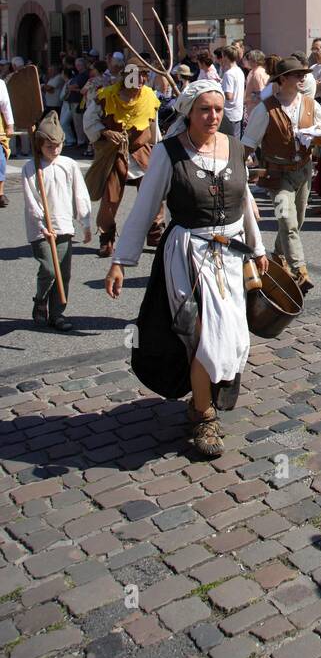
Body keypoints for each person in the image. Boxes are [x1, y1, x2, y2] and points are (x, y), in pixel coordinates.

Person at [105, 82, 268, 458]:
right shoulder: (169, 153)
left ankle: (204, 398)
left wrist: (257, 248)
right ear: (189, 113)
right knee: (200, 335)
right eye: (204, 110)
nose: (213, 117)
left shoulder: (235, 148)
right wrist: (120, 262)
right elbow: (145, 207)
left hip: (229, 258)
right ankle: (202, 412)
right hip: (187, 253)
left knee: (234, 339)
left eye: (218, 109)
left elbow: (243, 201)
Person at [241, 56, 321, 294]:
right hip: (276, 177)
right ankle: (300, 270)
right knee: (286, 221)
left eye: (304, 74)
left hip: (303, 172)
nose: (303, 78)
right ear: (282, 79)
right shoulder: (265, 108)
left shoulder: (312, 106)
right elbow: (248, 143)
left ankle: (279, 256)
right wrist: (237, 169)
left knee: (297, 221)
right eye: (297, 74)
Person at [22, 109, 92, 331]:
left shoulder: (68, 164)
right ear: (39, 146)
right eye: (49, 147)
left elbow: (79, 193)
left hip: (63, 225)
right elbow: (31, 200)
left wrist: (86, 223)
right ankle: (40, 299)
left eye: (58, 146)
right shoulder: (31, 167)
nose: (54, 150)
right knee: (49, 270)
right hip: (41, 228)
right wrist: (42, 225)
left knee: (64, 272)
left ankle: (57, 314)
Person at [83, 69, 164, 257]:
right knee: (110, 198)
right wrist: (104, 132)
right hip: (115, 152)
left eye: (144, 75)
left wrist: (160, 150)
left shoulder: (150, 96)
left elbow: (154, 126)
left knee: (154, 194)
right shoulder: (106, 95)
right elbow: (90, 120)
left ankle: (155, 233)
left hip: (142, 151)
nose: (141, 80)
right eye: (136, 75)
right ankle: (107, 238)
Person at [219, 44, 246, 138]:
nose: (222, 59)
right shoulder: (239, 71)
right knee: (236, 141)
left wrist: (219, 89)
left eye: (222, 56)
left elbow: (229, 96)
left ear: (226, 57)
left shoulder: (228, 74)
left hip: (229, 114)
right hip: (237, 112)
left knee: (228, 141)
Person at [0, 70, 15, 208]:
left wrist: (10, 126)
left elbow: (6, 106)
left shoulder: (0, 84)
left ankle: (0, 193)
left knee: (0, 161)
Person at [243, 51, 269, 120]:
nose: (248, 61)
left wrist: (248, 99)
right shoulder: (256, 71)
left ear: (255, 60)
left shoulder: (257, 73)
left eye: (250, 59)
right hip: (253, 109)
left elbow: (261, 94)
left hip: (255, 110)